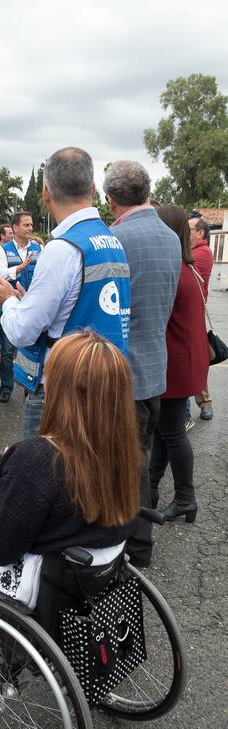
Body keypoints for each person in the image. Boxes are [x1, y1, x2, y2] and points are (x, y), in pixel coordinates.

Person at [0, 332, 140, 618]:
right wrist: (7, 466)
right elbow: (65, 490)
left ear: (64, 391)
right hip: (91, 576)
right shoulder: (123, 450)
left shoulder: (38, 459)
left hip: (40, 588)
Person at [0, 147, 131, 437]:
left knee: (48, 478)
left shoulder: (63, 248)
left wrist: (8, 300)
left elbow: (22, 332)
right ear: (94, 189)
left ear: (45, 192)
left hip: (63, 391)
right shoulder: (111, 240)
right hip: (104, 385)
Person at [103, 160, 181, 566]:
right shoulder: (171, 237)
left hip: (121, 374)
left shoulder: (114, 239)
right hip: (154, 368)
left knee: (119, 463)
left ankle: (129, 546)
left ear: (111, 199)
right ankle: (140, 541)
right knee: (141, 456)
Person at [147, 206, 209, 523]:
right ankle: (152, 490)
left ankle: (186, 498)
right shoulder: (186, 265)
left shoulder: (174, 268)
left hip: (176, 362)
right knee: (164, 430)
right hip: (185, 358)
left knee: (171, 432)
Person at [188, 216, 215, 420]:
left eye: (189, 229)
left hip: (194, 313)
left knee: (196, 358)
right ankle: (202, 402)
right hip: (192, 312)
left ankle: (204, 402)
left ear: (200, 233)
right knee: (193, 358)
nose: (185, 232)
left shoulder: (202, 253)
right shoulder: (194, 251)